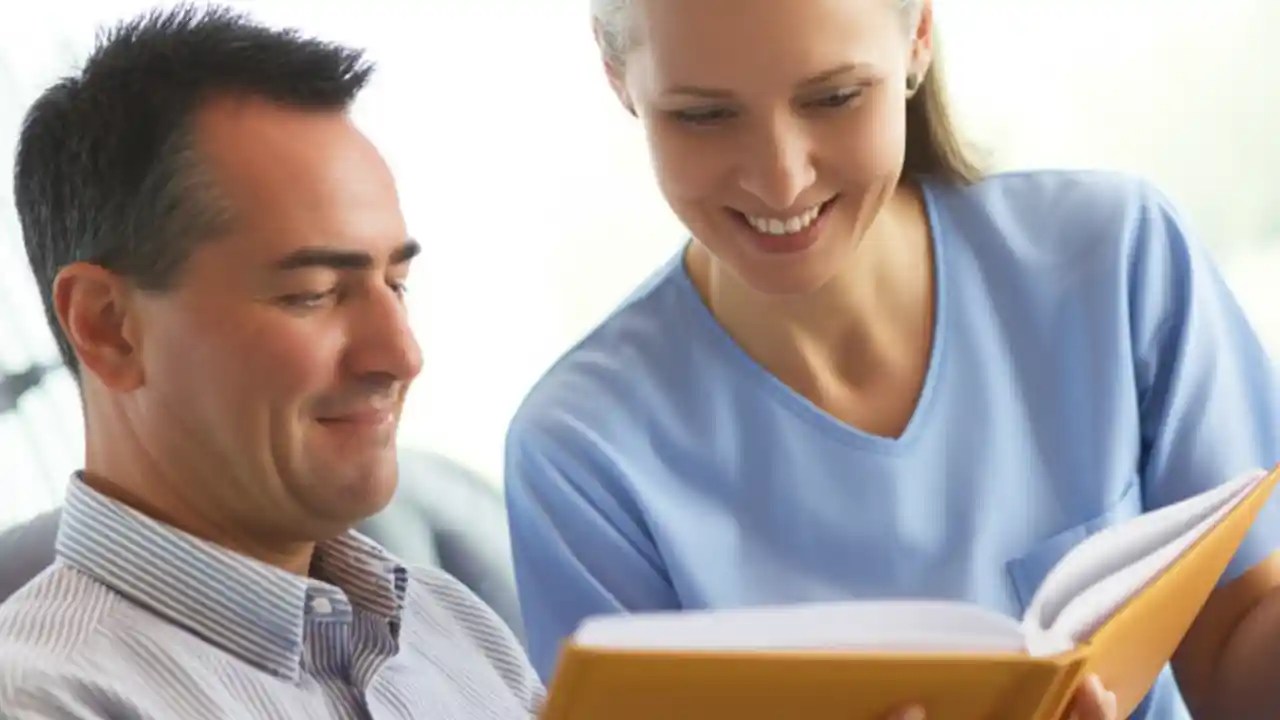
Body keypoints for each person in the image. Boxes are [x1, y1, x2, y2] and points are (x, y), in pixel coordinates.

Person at [503, 0, 1280, 718]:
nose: (781, 177)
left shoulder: (1114, 260)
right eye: (703, 115)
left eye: (834, 98)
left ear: (917, 38)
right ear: (617, 76)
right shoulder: (581, 451)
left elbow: (1242, 641)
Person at [0, 6, 542, 719]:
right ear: (108, 327)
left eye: (396, 285)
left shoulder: (454, 629)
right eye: (313, 294)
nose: (402, 355)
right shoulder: (47, 699)